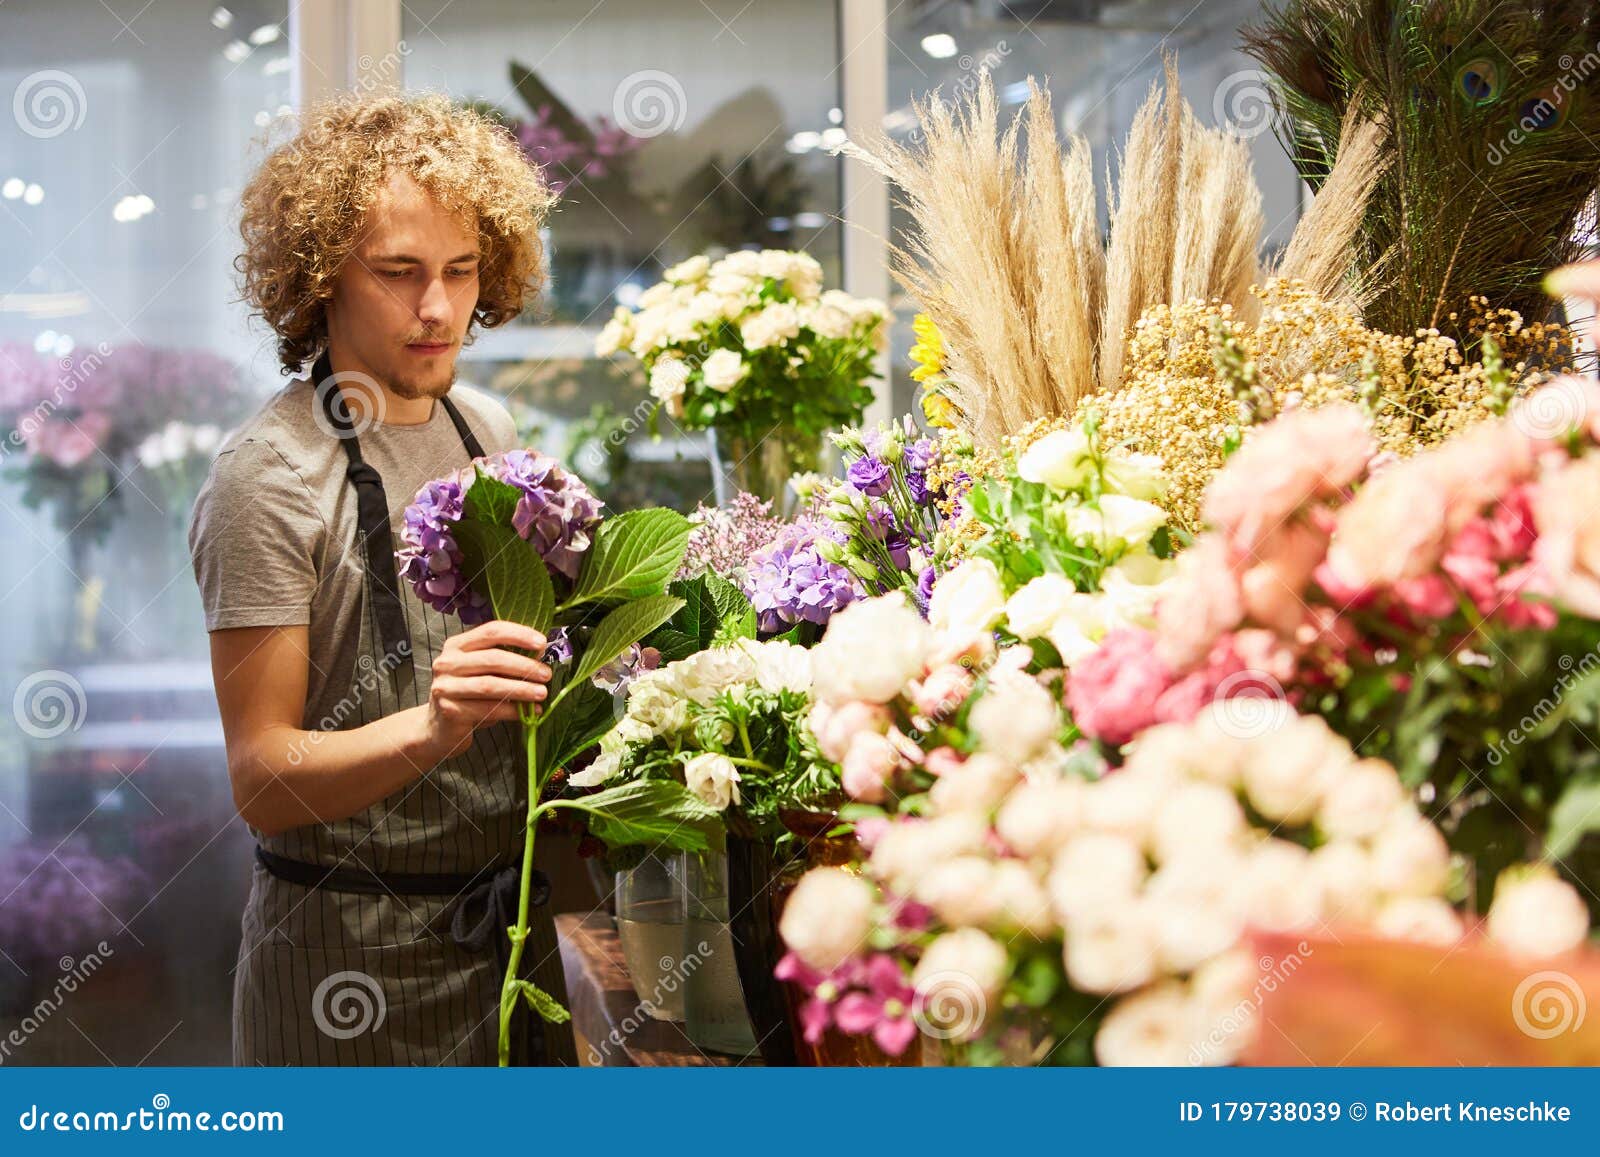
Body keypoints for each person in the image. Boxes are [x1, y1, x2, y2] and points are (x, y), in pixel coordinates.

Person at [187, 92, 575, 1065]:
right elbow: (262, 776)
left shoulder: (485, 429)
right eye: (397, 273)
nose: (439, 309)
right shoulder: (267, 475)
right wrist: (435, 726)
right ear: (317, 278)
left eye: (460, 270)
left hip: (505, 941)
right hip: (341, 962)